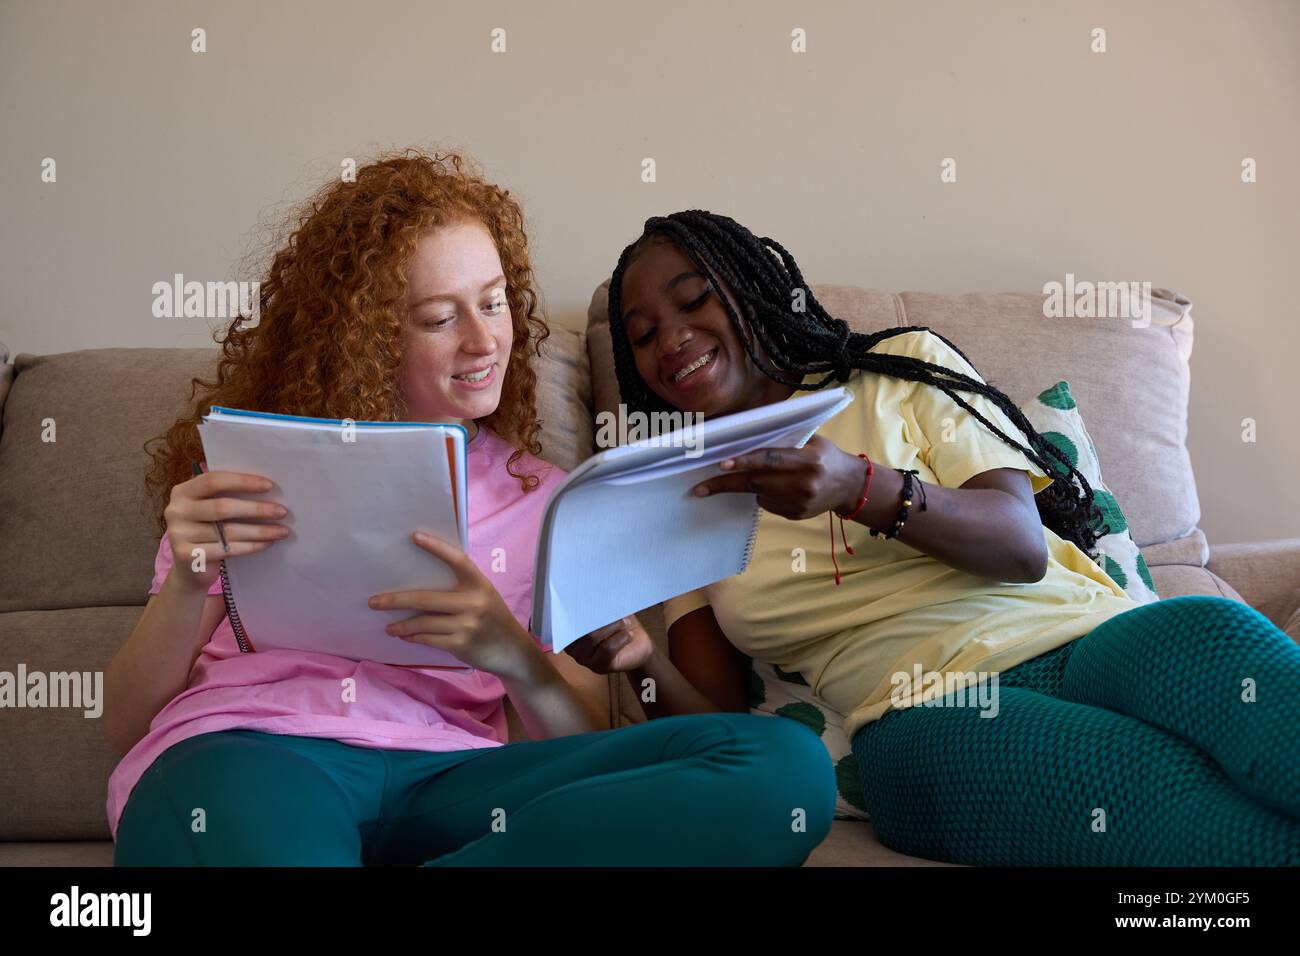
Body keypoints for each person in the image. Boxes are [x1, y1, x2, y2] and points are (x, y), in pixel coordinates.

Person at [105, 158, 835, 867]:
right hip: (254, 756)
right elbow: (126, 726)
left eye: (492, 303)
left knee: (781, 767)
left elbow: (570, 742)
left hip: (459, 785)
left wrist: (508, 654)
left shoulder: (547, 498)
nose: (484, 341)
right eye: (438, 318)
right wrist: (189, 582)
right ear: (366, 336)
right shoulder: (253, 470)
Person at [568, 208, 1300, 866]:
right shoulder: (685, 497)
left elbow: (1019, 545)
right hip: (925, 715)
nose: (673, 338)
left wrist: (861, 488)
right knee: (1175, 805)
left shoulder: (899, 370)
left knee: (1217, 635)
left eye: (694, 300)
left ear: (753, 286)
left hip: (1092, 634)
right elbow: (727, 731)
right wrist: (636, 660)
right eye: (642, 336)